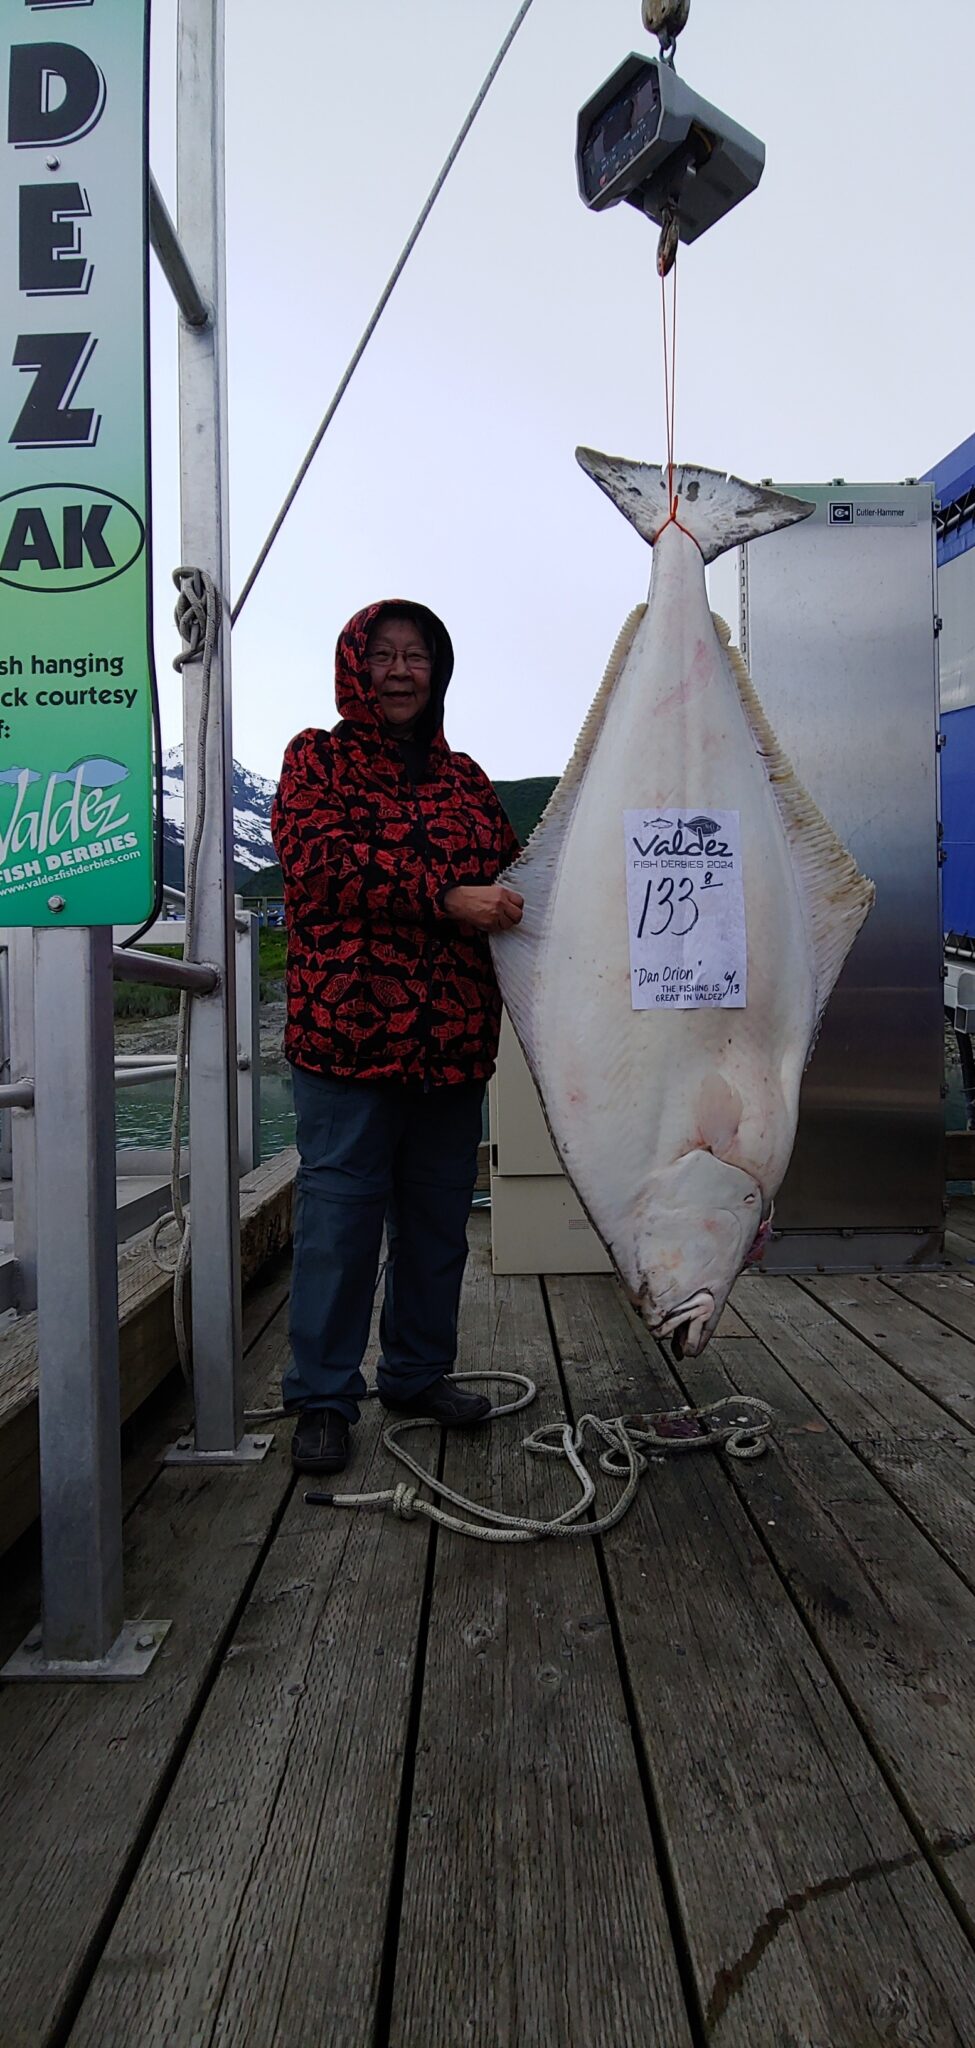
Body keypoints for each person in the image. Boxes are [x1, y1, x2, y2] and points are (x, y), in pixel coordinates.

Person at [271, 598, 524, 1477]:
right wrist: (446, 897)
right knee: (338, 1227)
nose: (399, 670)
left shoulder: (467, 782)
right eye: (382, 654)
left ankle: (416, 1375)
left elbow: (515, 877)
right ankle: (323, 1397)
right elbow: (318, 863)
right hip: (345, 1043)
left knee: (436, 1225)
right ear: (354, 665)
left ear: (438, 671)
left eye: (417, 655)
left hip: (451, 1046)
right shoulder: (316, 759)